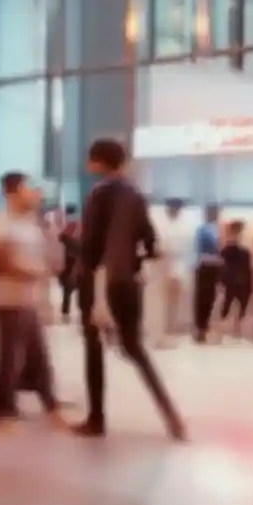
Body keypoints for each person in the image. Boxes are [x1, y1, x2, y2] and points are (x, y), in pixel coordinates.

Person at [76, 138, 186, 441]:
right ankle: (169, 413)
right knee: (133, 347)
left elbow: (90, 247)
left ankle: (96, 418)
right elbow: (150, 243)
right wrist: (134, 260)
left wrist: (84, 275)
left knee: (94, 347)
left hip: (101, 283)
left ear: (98, 163)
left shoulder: (99, 195)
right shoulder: (136, 195)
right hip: (127, 284)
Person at [0, 173, 65, 429]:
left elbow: (54, 260)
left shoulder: (33, 225)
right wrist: (31, 272)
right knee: (10, 356)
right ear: (13, 192)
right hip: (8, 300)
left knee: (38, 355)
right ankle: (4, 409)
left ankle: (49, 403)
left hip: (31, 300)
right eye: (28, 189)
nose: (35, 194)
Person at [151, 198, 192, 348]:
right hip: (160, 267)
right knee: (160, 302)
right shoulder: (160, 223)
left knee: (174, 303)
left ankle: (169, 331)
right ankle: (159, 333)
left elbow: (184, 250)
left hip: (176, 267)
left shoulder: (183, 226)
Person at [215, 220, 253, 341]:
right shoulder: (229, 247)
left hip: (239, 279)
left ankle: (235, 331)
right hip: (234, 279)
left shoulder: (239, 247)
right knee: (228, 305)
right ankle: (226, 331)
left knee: (239, 305)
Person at [193, 204, 223, 343]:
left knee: (210, 297)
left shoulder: (218, 229)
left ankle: (204, 326)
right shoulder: (203, 230)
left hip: (213, 265)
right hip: (205, 264)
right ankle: (201, 327)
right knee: (203, 297)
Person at [58, 205, 81, 323]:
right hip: (74, 263)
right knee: (70, 289)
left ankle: (65, 313)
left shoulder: (65, 229)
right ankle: (69, 312)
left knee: (67, 290)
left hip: (68, 263)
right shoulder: (78, 226)